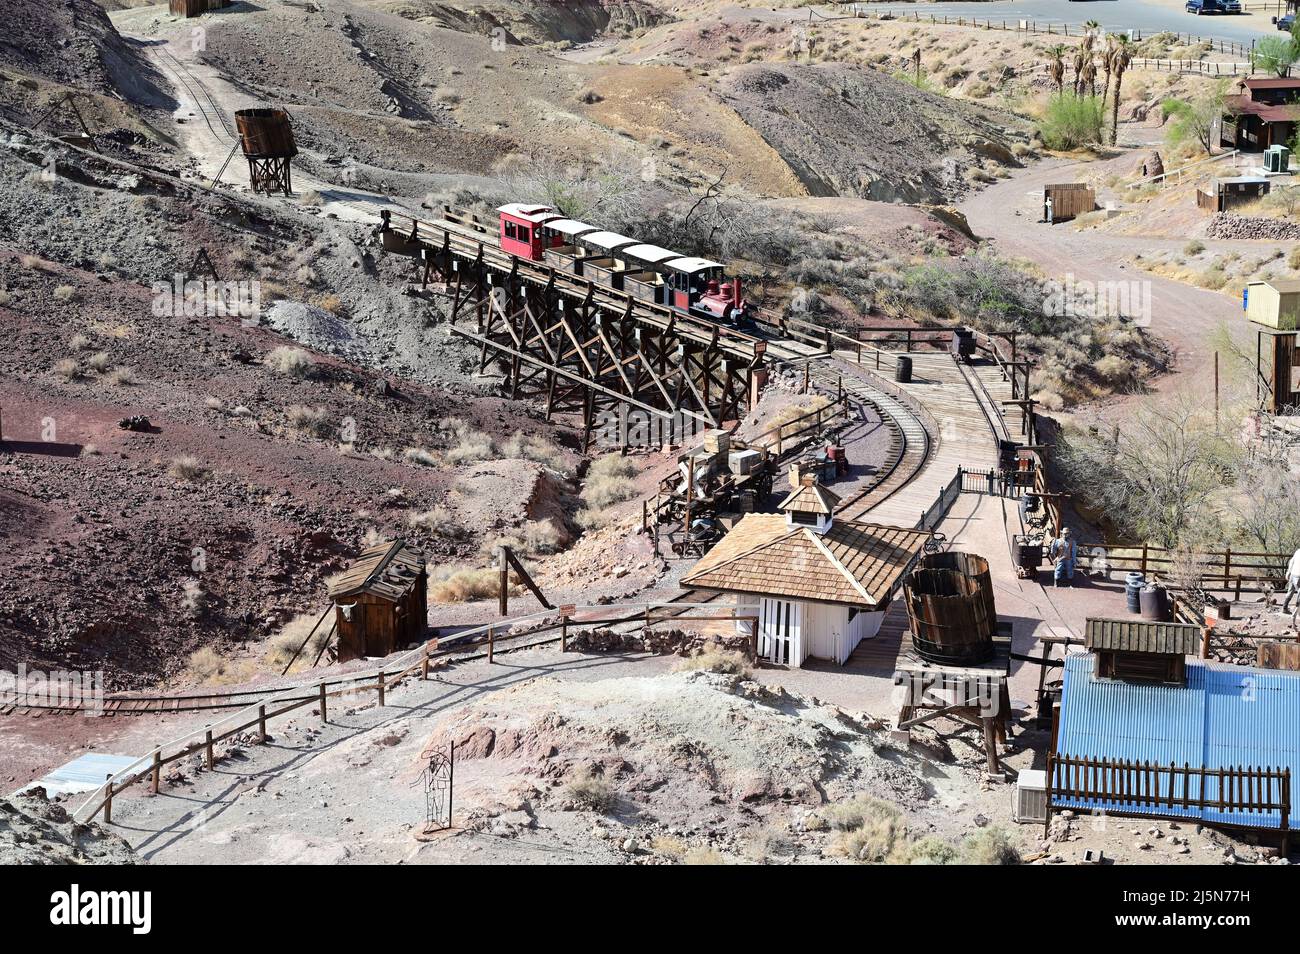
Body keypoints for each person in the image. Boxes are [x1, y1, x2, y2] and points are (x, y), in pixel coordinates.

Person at [1280, 547, 1300, 613]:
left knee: (1290, 591)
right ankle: (1297, 611)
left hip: (1293, 574)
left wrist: (1288, 572)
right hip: (1298, 576)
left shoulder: (1298, 551)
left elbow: (1291, 561)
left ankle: (1284, 608)